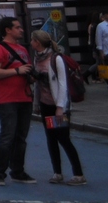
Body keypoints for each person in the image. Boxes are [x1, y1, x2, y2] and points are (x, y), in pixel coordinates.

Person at [30, 30, 85, 185]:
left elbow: (63, 84)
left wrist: (60, 107)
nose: (31, 43)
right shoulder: (37, 58)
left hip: (58, 106)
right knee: (51, 138)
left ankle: (79, 174)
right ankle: (57, 172)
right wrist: (36, 103)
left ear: (38, 42)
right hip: (45, 104)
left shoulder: (56, 58)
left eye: (32, 40)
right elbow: (38, 85)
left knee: (63, 138)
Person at [0, 16, 35, 186]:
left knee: (21, 137)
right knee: (8, 135)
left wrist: (29, 76)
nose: (21, 30)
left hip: (24, 96)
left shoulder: (23, 49)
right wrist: (17, 71)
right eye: (17, 27)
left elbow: (25, 70)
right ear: (8, 30)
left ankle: (18, 171)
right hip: (7, 98)